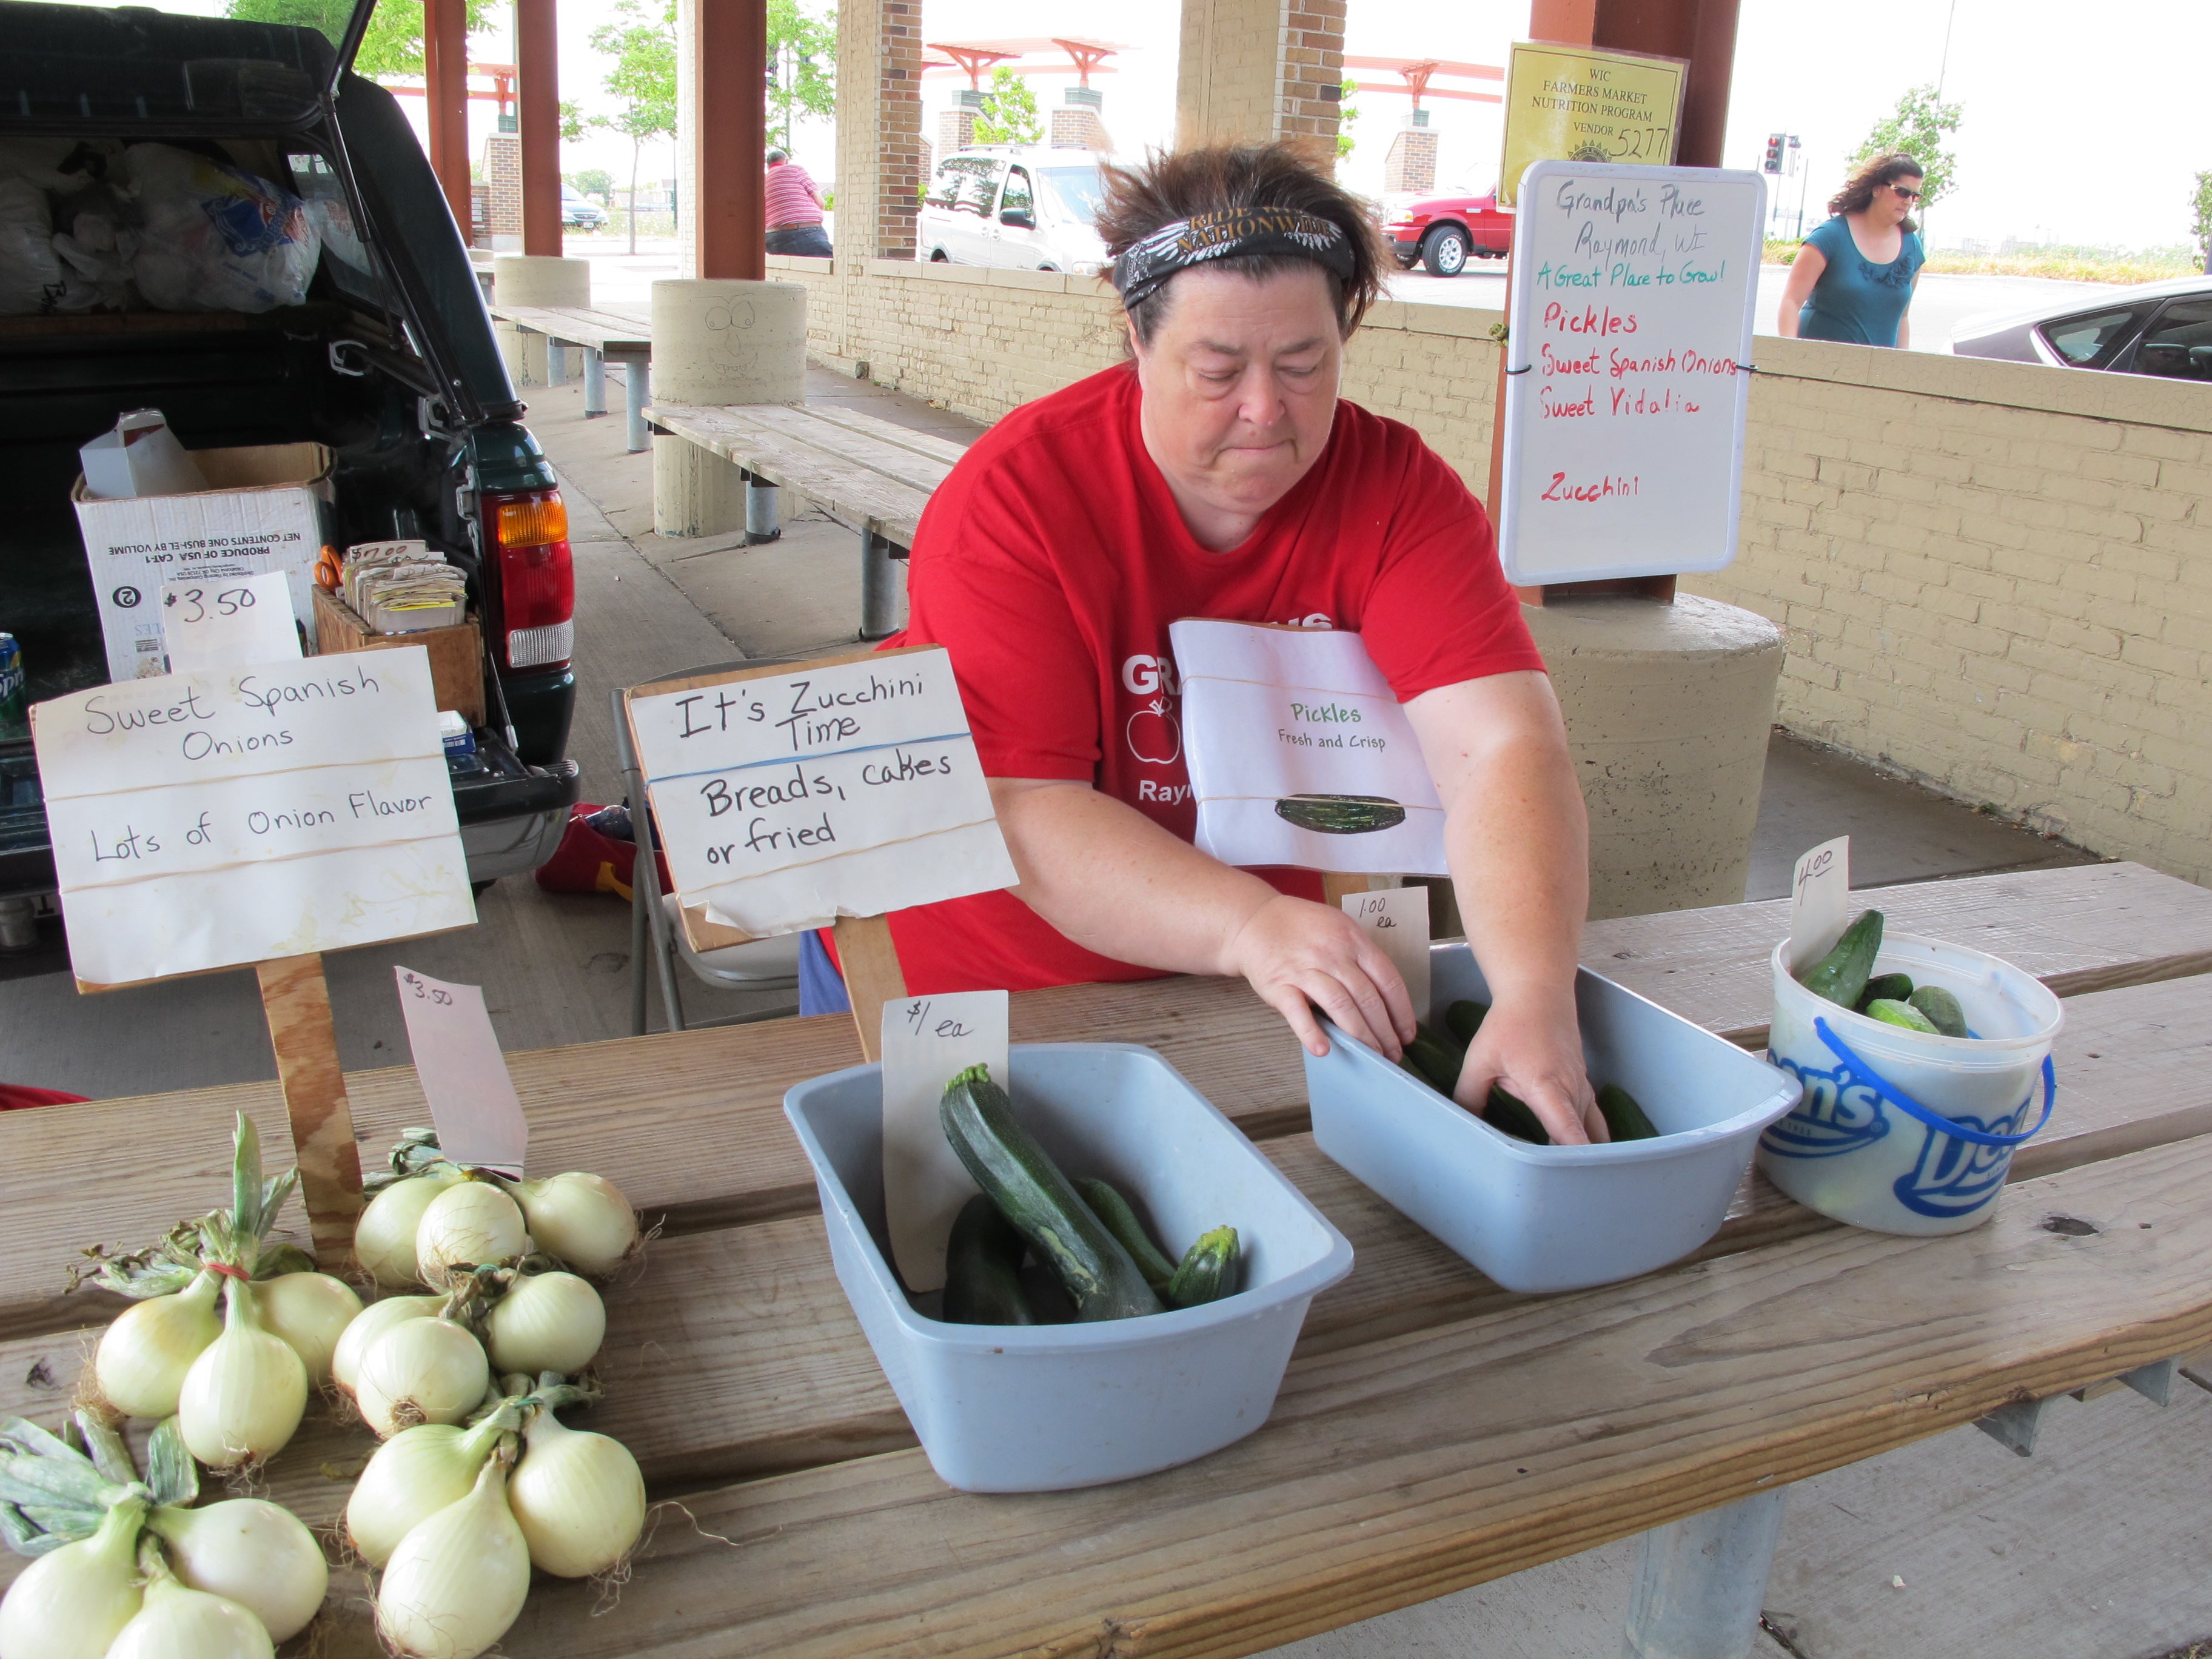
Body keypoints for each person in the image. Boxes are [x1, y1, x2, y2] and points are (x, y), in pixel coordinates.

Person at [799, 142, 1606, 1144]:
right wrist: (1247, 924)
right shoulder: (1018, 497)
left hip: (1264, 1002)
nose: (1265, 411)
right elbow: (1024, 812)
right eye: (1216, 370)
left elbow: (1503, 747)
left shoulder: (1398, 492)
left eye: (1303, 365)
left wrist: (1530, 991)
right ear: (1135, 340)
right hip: (995, 1003)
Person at [1777, 152, 1927, 348]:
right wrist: (1792, 358)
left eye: (1915, 196)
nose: (1908, 201)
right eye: (1902, 192)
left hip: (1876, 374)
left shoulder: (1912, 247)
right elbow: (1791, 303)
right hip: (1818, 367)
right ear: (1877, 189)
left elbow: (1902, 318)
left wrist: (1900, 372)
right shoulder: (1831, 236)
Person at [763, 147, 832, 258]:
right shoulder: (795, 170)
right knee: (840, 264)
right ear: (786, 161)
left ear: (768, 165)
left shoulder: (762, 180)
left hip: (772, 239)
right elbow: (820, 203)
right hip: (805, 233)